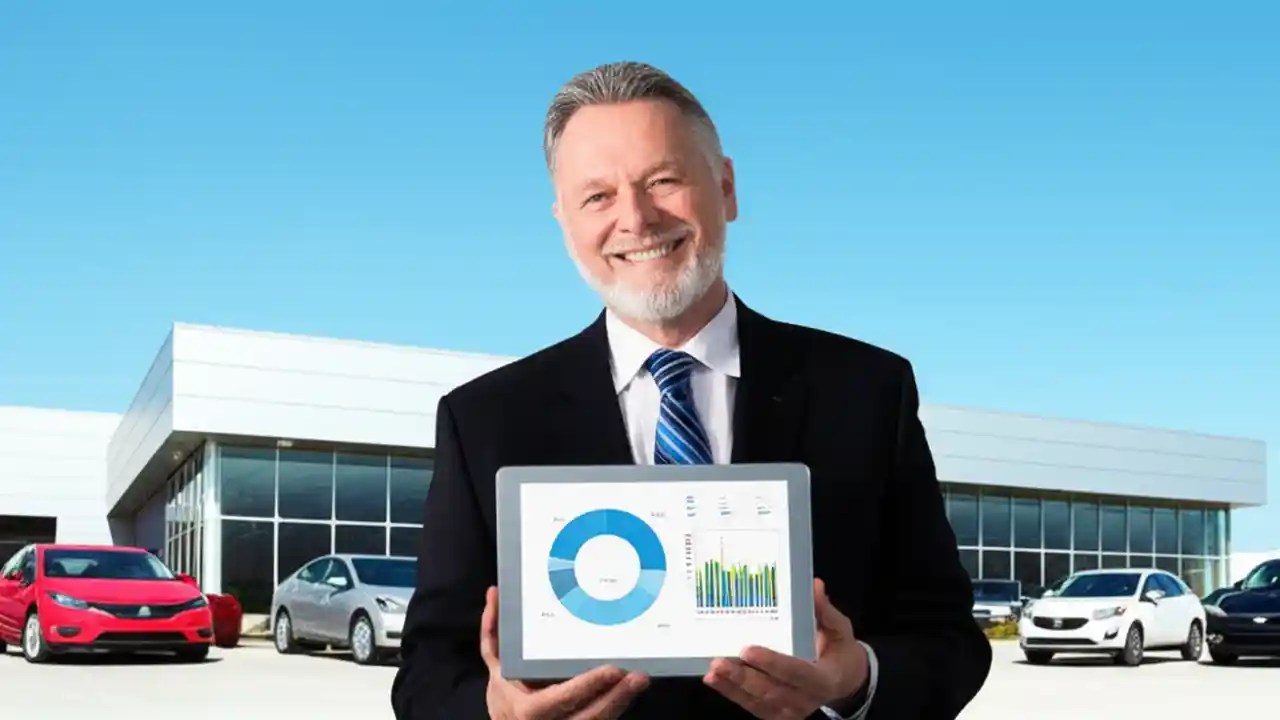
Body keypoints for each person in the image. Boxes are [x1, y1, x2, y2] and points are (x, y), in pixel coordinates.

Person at [391, 61, 991, 719]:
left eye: (663, 181)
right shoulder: (485, 420)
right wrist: (497, 713)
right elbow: (427, 675)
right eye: (598, 197)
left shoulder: (868, 392)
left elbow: (947, 639)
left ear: (726, 188)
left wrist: (854, 680)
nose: (637, 219)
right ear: (564, 222)